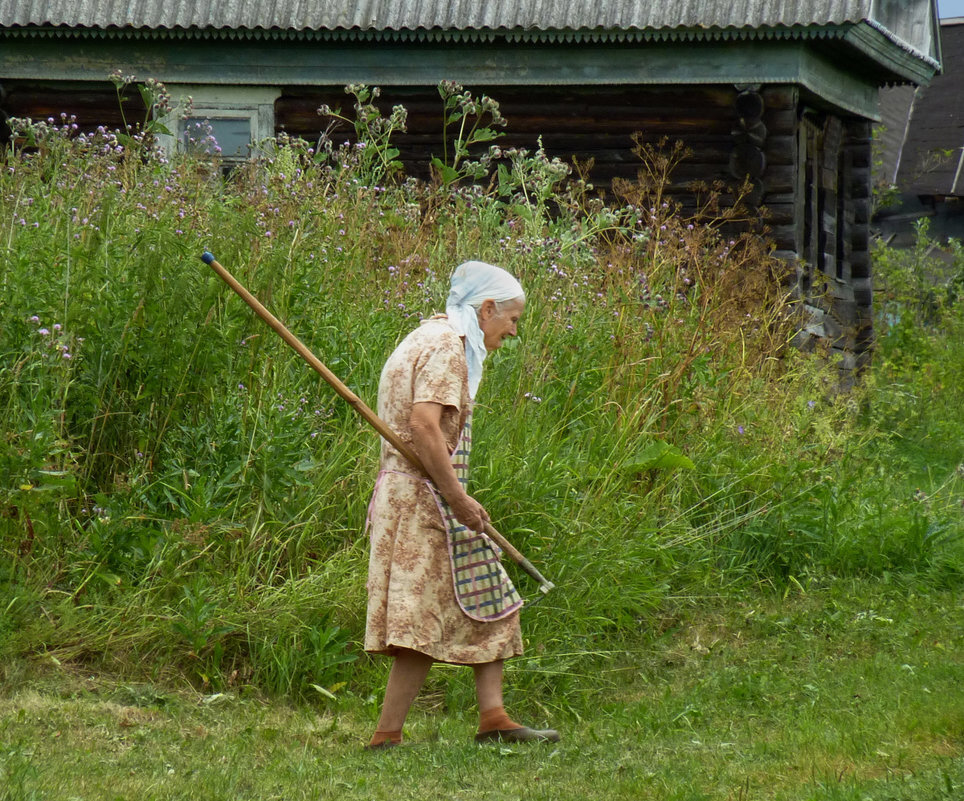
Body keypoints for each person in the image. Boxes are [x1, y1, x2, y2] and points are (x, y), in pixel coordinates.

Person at [363, 260, 559, 748]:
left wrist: (457, 497)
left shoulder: (427, 335)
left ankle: (494, 719)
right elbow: (424, 425)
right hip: (422, 499)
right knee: (420, 620)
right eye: (511, 319)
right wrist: (457, 497)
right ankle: (386, 735)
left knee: (491, 593)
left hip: (426, 493)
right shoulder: (448, 347)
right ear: (486, 308)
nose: (512, 331)